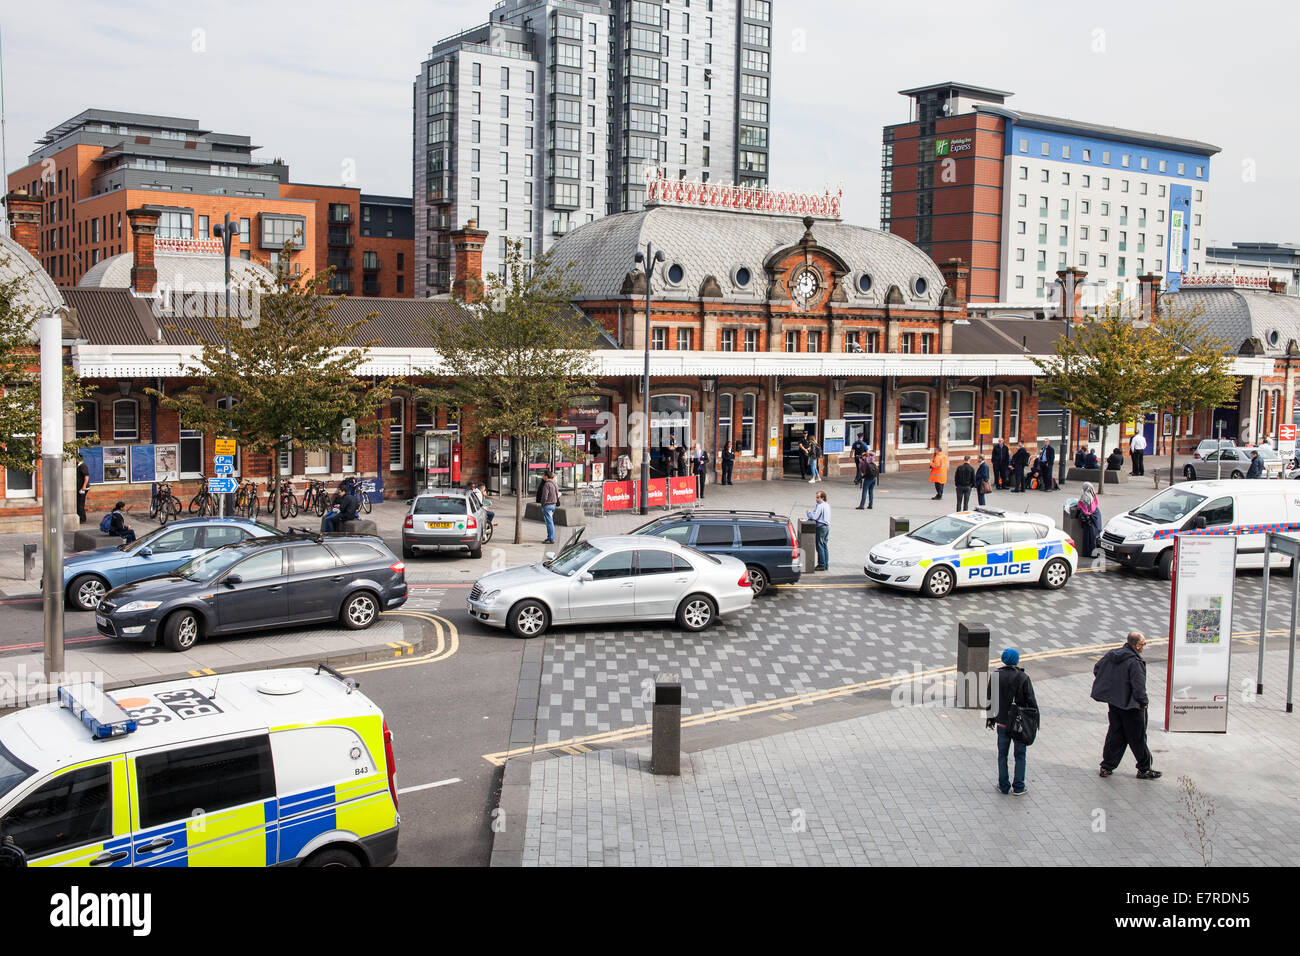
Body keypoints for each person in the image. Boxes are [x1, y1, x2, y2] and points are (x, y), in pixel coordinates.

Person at [1092, 632, 1161, 779]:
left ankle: (1106, 767)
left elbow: (1097, 669)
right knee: (1138, 738)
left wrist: (1114, 689)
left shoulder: (1112, 655)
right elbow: (1139, 688)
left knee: (1115, 734)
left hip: (1115, 704)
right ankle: (1144, 768)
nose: (1144, 647)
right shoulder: (1135, 662)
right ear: (1137, 645)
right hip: (1132, 707)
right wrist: (1144, 703)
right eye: (1143, 644)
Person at [986, 647, 1037, 795]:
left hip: (1002, 722)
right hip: (1019, 723)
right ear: (1016, 660)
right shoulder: (1023, 677)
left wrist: (990, 720)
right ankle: (1019, 787)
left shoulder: (995, 676)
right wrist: (1033, 721)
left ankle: (1003, 786)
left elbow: (990, 700)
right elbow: (1031, 701)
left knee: (1002, 754)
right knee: (1020, 755)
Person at [806, 490, 831, 571]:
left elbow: (815, 517)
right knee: (824, 546)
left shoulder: (820, 506)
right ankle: (826, 564)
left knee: (819, 546)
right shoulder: (827, 505)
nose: (816, 499)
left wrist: (808, 513)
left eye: (818, 497)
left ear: (822, 498)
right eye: (816, 497)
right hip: (826, 527)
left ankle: (821, 565)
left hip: (820, 527)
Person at [1076, 481, 1101, 557]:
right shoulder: (1093, 495)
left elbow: (1083, 508)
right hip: (1096, 518)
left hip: (1089, 519)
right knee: (1095, 536)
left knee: (1089, 537)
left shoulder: (1085, 496)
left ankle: (1089, 553)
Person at [538, 470, 559, 543]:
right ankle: (549, 537)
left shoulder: (547, 484)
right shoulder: (555, 484)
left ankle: (551, 538)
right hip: (553, 505)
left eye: (544, 475)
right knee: (549, 522)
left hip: (547, 505)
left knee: (549, 523)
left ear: (546, 476)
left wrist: (542, 504)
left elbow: (544, 496)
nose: (543, 477)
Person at [76, 458, 90, 524]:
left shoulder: (83, 466)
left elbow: (86, 477)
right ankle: (81, 517)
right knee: (79, 502)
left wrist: (84, 486)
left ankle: (82, 518)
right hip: (79, 487)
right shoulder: (78, 466)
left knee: (80, 503)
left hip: (82, 488)